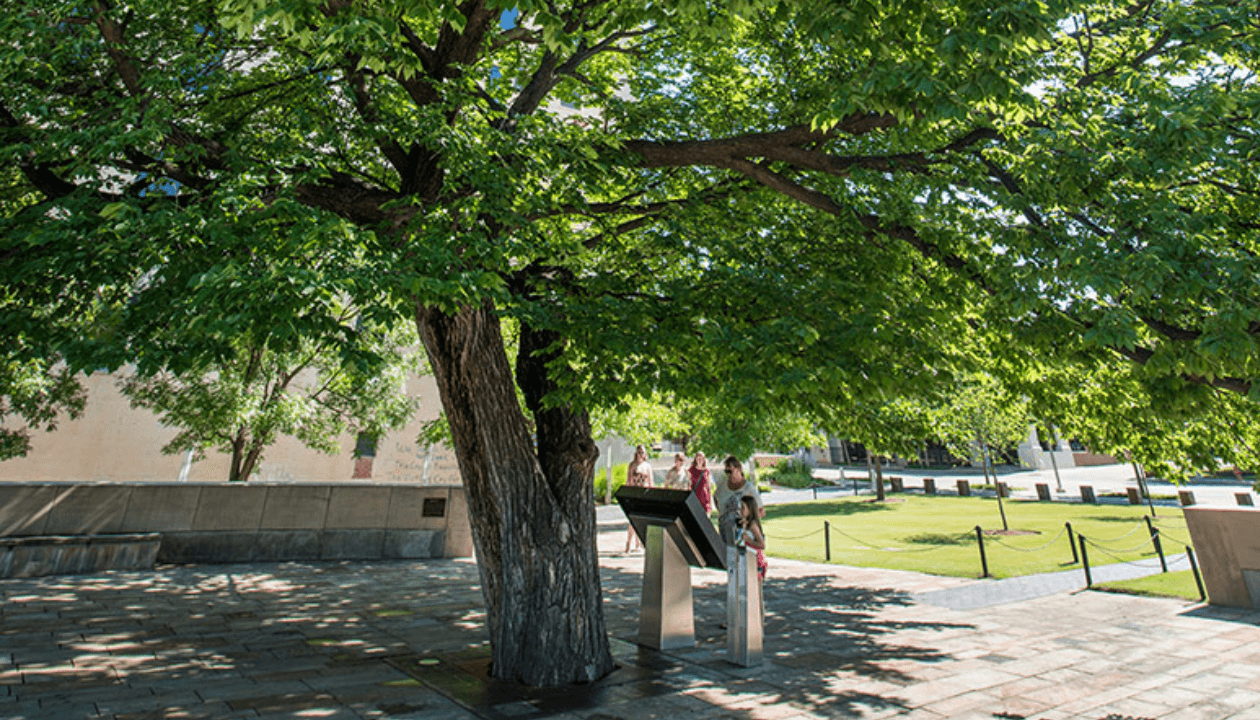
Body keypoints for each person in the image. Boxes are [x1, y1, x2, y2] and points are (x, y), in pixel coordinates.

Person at [716, 455, 764, 547]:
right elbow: (716, 498)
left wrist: (748, 523)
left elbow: (761, 511)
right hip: (724, 532)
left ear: (739, 469)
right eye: (726, 471)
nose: (728, 474)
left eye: (730, 471)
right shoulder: (722, 488)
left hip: (742, 536)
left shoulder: (749, 489)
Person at [624, 444, 654, 552]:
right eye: (639, 452)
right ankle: (628, 542)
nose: (640, 454)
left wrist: (652, 495)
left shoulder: (647, 466)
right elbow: (628, 481)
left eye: (642, 452)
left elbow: (650, 482)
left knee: (642, 519)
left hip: (644, 495)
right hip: (634, 494)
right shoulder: (632, 466)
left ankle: (639, 542)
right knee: (632, 519)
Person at [735, 495, 768, 581]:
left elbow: (762, 545)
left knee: (755, 589)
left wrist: (749, 540)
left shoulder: (753, 525)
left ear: (750, 509)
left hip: (756, 561)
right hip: (745, 559)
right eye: (739, 508)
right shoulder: (742, 524)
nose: (740, 510)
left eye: (743, 508)